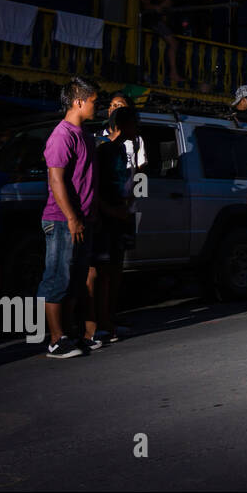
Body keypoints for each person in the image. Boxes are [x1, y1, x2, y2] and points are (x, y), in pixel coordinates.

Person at [38, 76, 100, 358]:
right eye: (92, 102)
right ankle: (55, 340)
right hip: (62, 219)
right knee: (57, 279)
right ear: (78, 102)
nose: (95, 107)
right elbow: (56, 179)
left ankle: (72, 334)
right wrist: (72, 217)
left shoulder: (84, 135)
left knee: (76, 279)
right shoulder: (62, 135)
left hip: (82, 219)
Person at [89, 106, 140, 347]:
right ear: (121, 126)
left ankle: (108, 319)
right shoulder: (104, 149)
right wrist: (108, 211)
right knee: (100, 272)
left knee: (115, 270)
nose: (136, 130)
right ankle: (96, 324)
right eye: (133, 125)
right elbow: (94, 186)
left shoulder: (122, 149)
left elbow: (128, 180)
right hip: (105, 217)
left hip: (120, 214)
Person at [140, 0, 182, 87]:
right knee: (173, 43)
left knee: (173, 44)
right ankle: (173, 72)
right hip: (153, 22)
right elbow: (145, 5)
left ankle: (172, 72)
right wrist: (156, 7)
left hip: (157, 22)